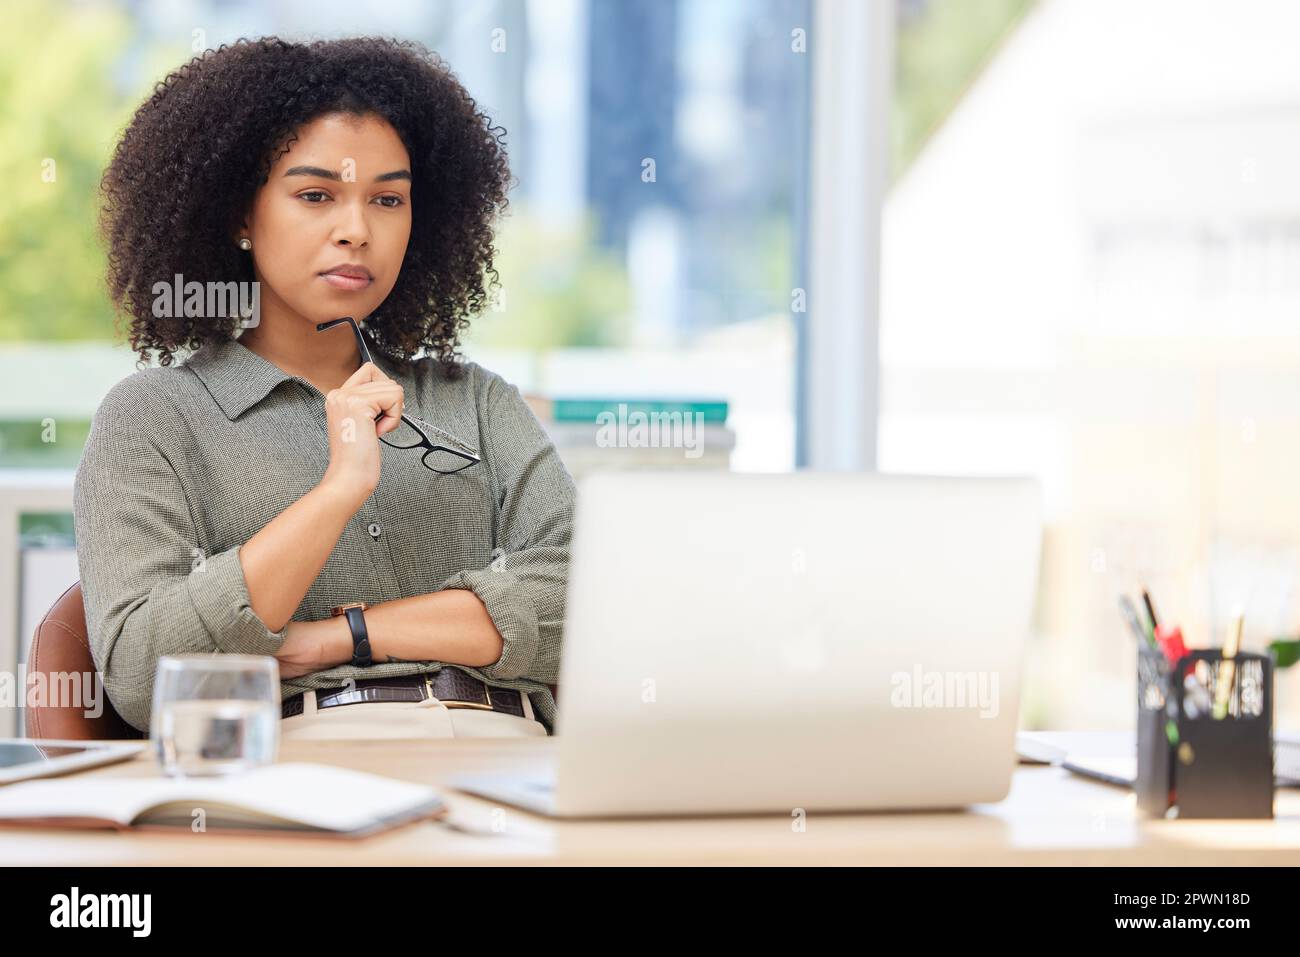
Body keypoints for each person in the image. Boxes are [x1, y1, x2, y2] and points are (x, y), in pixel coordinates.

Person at [75, 37, 575, 740]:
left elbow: (589, 604)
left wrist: (343, 635)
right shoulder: (154, 417)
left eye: (388, 199)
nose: (356, 230)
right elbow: (141, 673)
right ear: (240, 215)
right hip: (304, 768)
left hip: (514, 759)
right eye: (316, 195)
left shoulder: (480, 402)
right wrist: (338, 492)